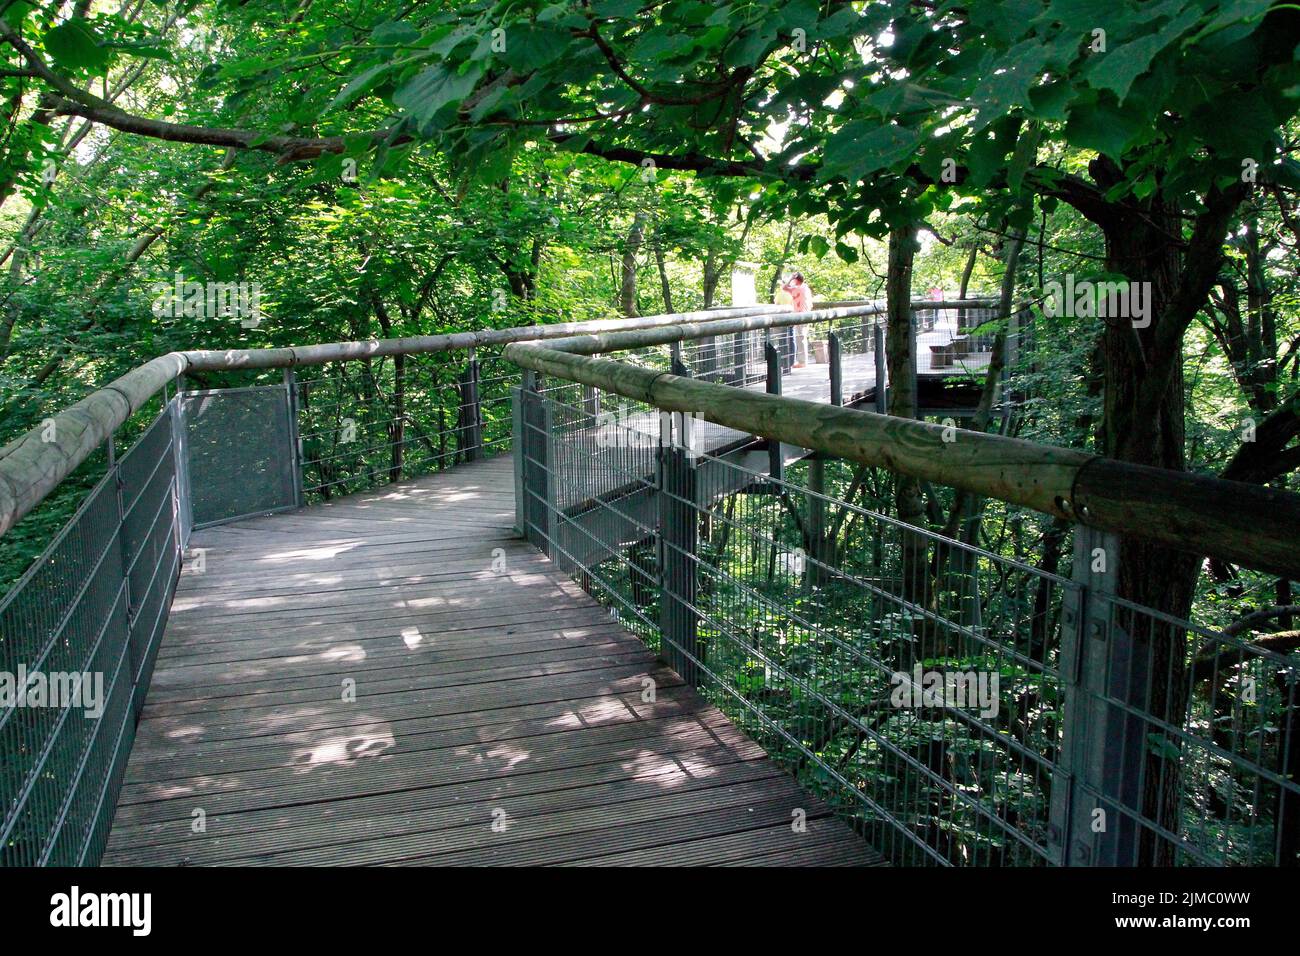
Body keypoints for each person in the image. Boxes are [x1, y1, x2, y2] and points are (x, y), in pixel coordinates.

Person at [782, 273, 813, 367]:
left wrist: (791, 278)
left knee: (800, 338)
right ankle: (802, 361)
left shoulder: (798, 288)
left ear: (796, 280)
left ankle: (802, 362)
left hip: (801, 315)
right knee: (801, 337)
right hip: (803, 315)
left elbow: (784, 287)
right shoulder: (805, 288)